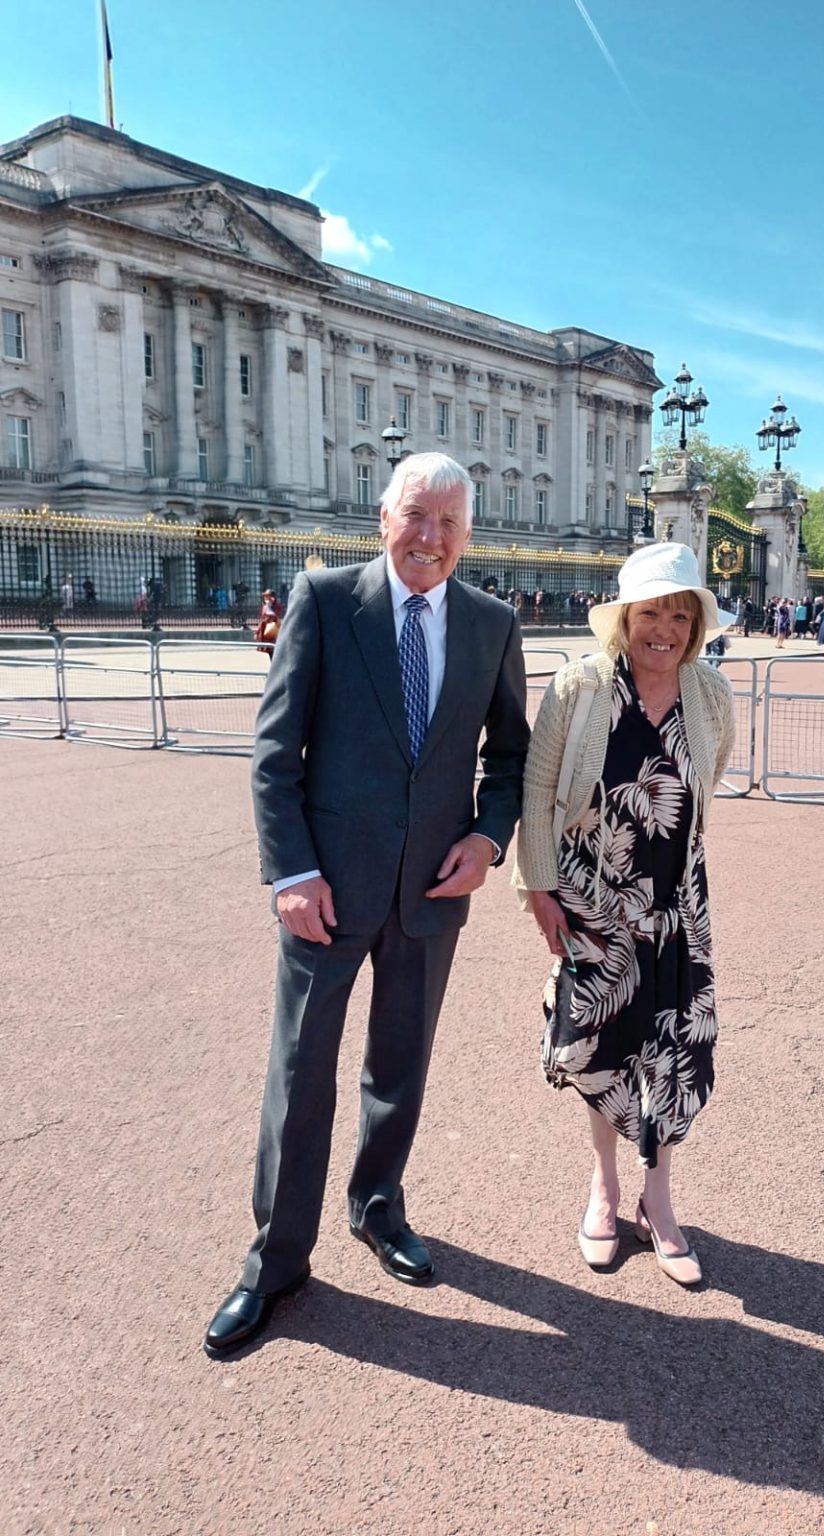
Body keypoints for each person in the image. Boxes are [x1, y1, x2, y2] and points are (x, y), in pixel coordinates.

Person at [203, 453, 530, 1359]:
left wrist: (488, 837)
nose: (430, 538)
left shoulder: (493, 623)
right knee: (301, 1073)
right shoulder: (322, 598)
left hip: (430, 892)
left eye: (449, 524)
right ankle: (275, 1262)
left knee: (401, 1064)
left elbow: (510, 757)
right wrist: (291, 873)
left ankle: (378, 1206)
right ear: (382, 515)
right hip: (327, 891)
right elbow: (276, 757)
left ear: (469, 534)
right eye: (416, 516)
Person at [514, 543, 735, 1288]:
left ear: (696, 625)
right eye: (651, 613)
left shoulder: (709, 694)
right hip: (592, 904)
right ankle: (605, 1188)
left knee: (670, 1052)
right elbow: (539, 792)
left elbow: (705, 785)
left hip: (675, 906)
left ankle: (660, 1200)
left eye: (680, 615)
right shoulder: (580, 687)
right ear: (625, 619)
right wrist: (538, 886)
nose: (664, 629)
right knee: (599, 1049)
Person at [254, 588, 284, 661]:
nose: (266, 598)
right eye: (265, 596)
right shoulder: (265, 606)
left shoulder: (277, 606)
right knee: (269, 650)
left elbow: (277, 616)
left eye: (268, 596)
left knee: (274, 650)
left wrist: (270, 607)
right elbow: (262, 619)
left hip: (274, 629)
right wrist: (257, 632)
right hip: (265, 629)